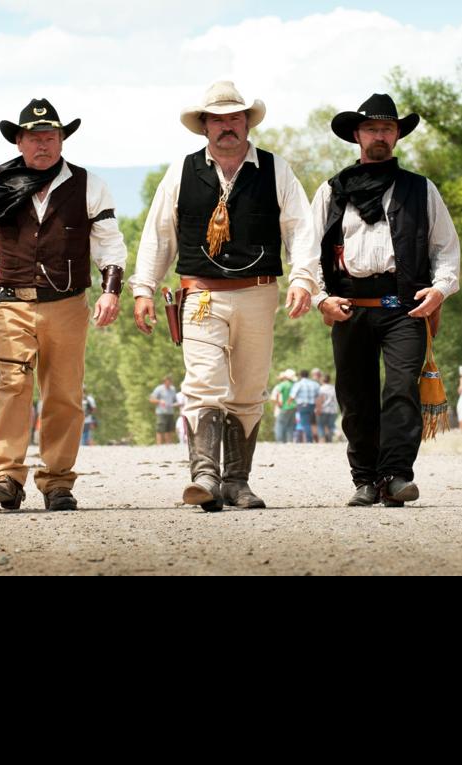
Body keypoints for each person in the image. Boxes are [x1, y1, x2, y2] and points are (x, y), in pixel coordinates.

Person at [132, 80, 319, 512]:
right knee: (203, 383)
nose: (227, 126)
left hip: (258, 293)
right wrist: (143, 288)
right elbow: (159, 234)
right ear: (204, 127)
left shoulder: (276, 169)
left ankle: (237, 482)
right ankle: (204, 476)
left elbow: (300, 228)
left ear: (246, 123)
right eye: (218, 119)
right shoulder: (181, 171)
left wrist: (303, 278)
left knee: (250, 388)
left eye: (234, 117)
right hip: (199, 294)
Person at [0, 98, 127, 513]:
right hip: (12, 302)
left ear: (62, 140)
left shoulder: (88, 184)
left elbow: (108, 240)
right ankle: (6, 476)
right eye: (34, 138)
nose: (43, 145)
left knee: (65, 394)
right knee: (12, 387)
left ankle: (57, 482)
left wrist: (111, 289)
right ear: (19, 141)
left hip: (67, 304)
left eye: (50, 137)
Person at [308, 93, 461, 507]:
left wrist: (440, 288)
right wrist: (321, 298)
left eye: (388, 128)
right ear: (357, 135)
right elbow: (308, 252)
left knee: (400, 391)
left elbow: (446, 248)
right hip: (350, 307)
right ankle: (363, 479)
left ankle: (395, 476)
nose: (380, 135)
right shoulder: (331, 191)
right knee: (355, 397)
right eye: (372, 128)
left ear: (397, 135)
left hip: (403, 307)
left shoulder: (420, 189)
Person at [291, 367, 320, 443]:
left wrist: (289, 403)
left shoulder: (298, 384)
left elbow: (292, 396)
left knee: (305, 423)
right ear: (308, 375)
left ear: (300, 375)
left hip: (302, 405)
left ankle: (309, 440)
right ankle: (312, 439)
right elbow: (318, 396)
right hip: (312, 406)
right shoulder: (315, 384)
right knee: (311, 423)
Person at [151, 376, 179, 444]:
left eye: (170, 381)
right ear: (164, 382)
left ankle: (168, 444)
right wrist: (160, 401)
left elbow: (175, 400)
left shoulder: (173, 389)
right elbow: (151, 399)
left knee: (169, 429)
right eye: (168, 381)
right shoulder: (159, 389)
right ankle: (159, 444)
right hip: (161, 412)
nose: (169, 383)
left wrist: (175, 404)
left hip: (170, 412)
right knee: (160, 429)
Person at [272, 369, 296, 444]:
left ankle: (279, 441)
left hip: (285, 406)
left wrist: (279, 403)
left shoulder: (283, 384)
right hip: (293, 406)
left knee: (280, 423)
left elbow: (278, 392)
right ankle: (289, 440)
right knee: (290, 424)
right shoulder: (293, 384)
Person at [314, 370, 338, 442]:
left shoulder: (321, 388)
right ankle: (336, 434)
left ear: (322, 380)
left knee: (321, 425)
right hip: (333, 410)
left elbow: (320, 400)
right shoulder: (334, 388)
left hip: (323, 409)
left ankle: (322, 440)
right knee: (331, 426)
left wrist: (318, 409)